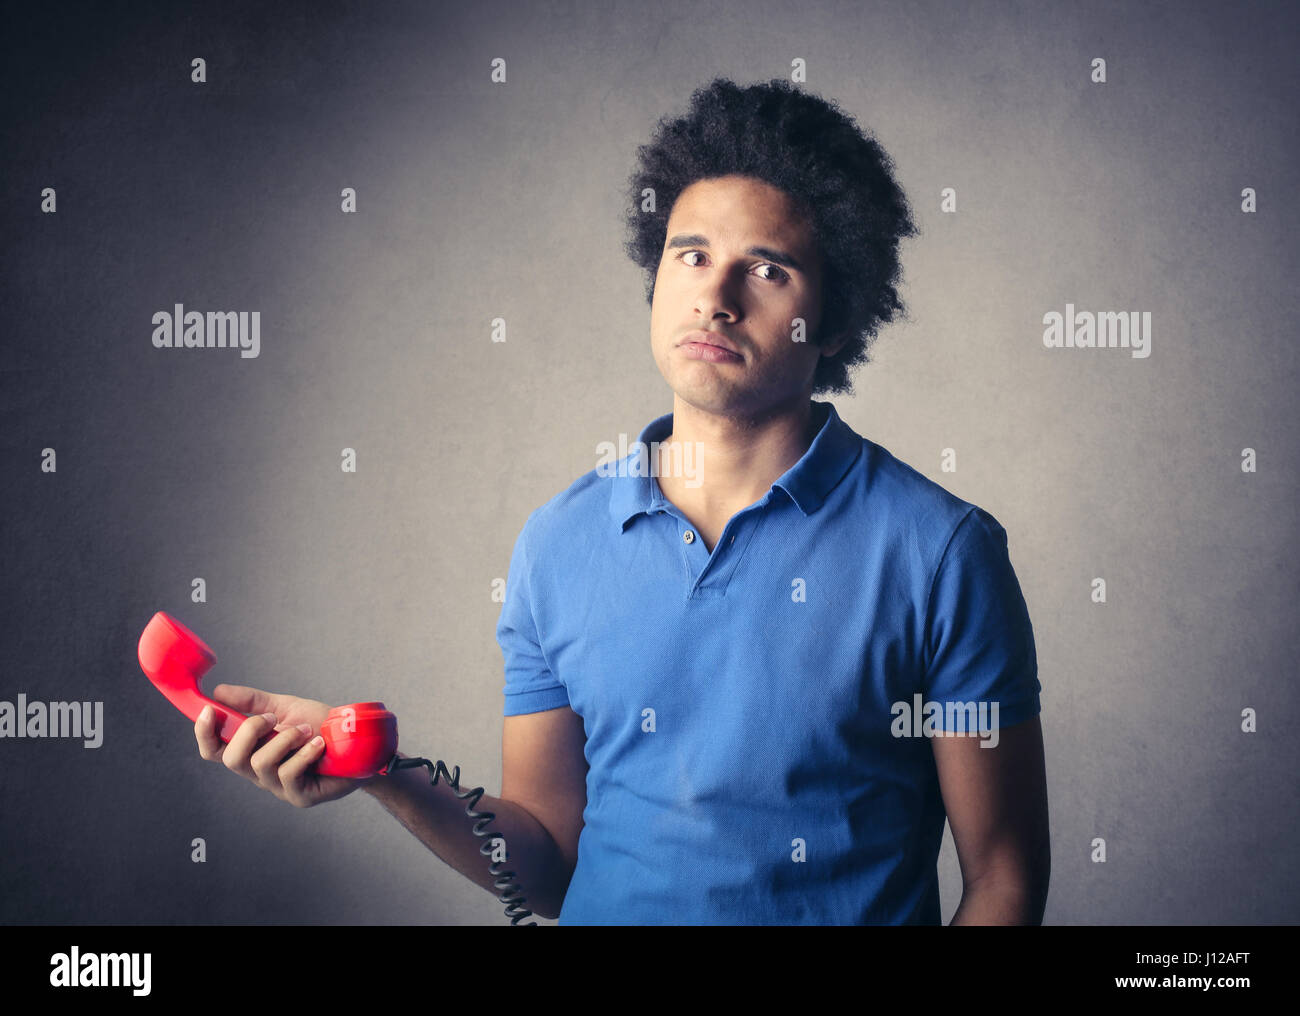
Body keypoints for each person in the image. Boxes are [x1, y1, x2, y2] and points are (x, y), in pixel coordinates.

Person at [195, 77, 1049, 925]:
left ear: (832, 321)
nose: (716, 297)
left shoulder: (942, 552)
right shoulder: (557, 543)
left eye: (768, 268)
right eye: (692, 255)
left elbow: (1002, 879)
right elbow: (549, 870)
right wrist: (382, 774)